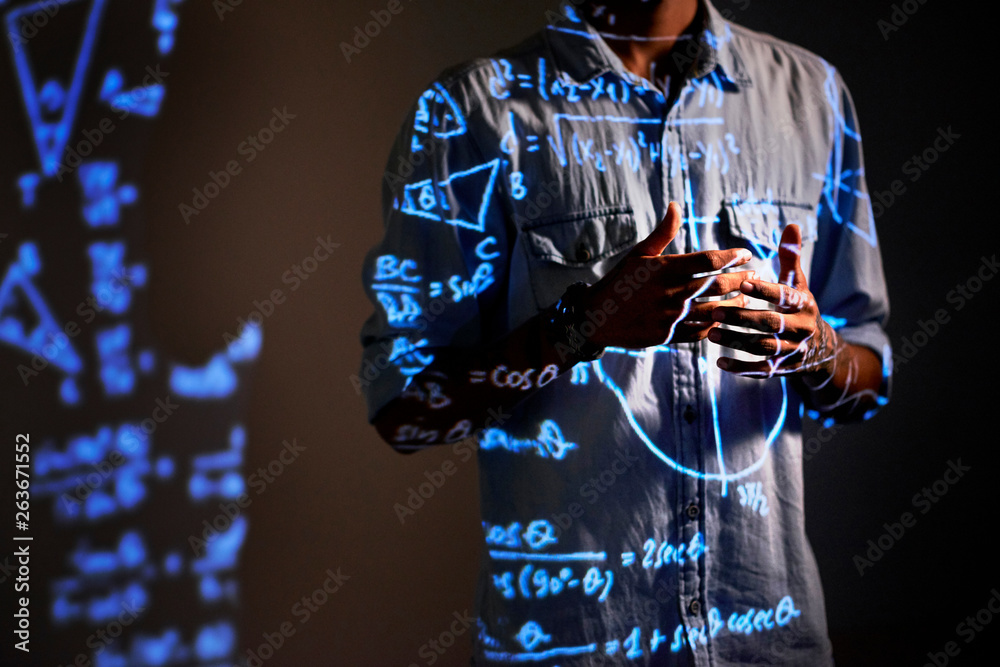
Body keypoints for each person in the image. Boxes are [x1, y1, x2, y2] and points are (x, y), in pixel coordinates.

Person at [358, 0, 891, 663]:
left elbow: (871, 381)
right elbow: (403, 410)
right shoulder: (469, 115)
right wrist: (580, 328)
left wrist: (819, 349)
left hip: (772, 644)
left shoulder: (811, 96)